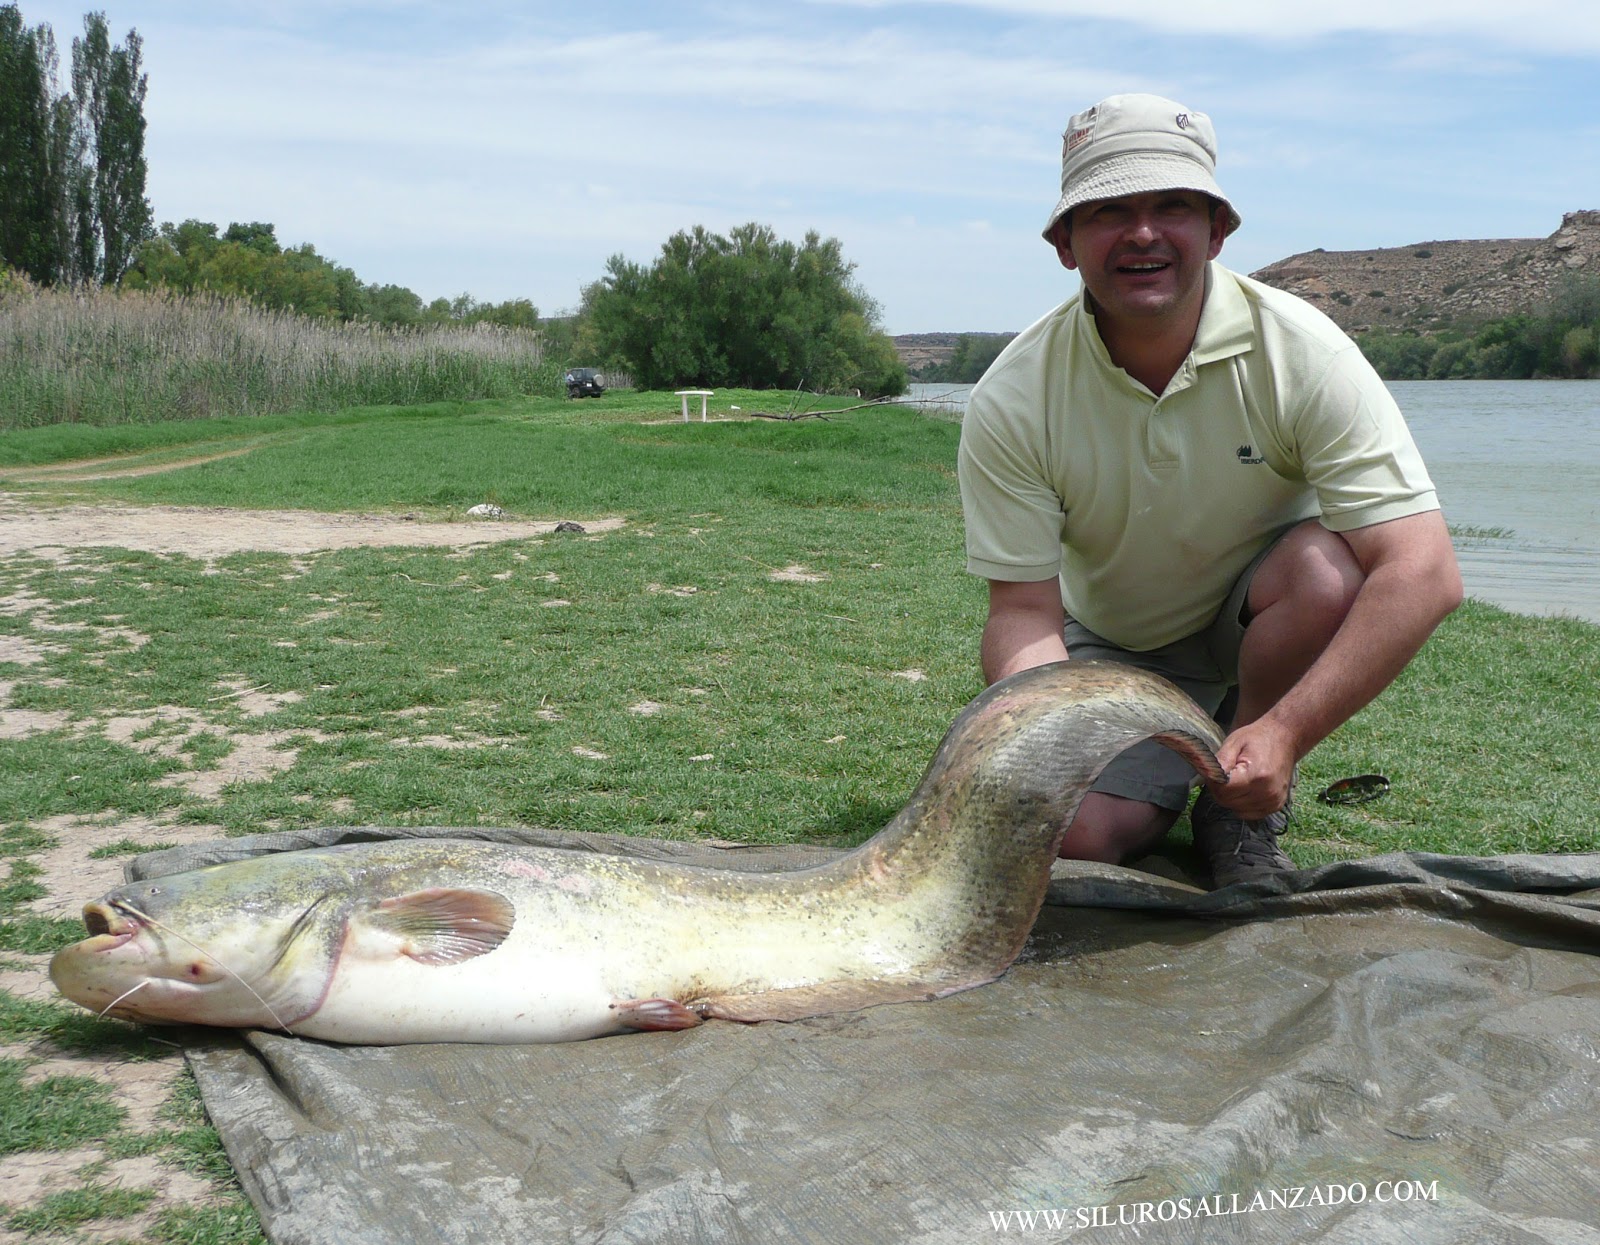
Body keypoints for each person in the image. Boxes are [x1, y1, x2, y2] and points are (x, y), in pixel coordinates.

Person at [957, 93, 1463, 887]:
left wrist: (1287, 730)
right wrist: (1058, 740)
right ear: (1064, 243)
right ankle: (1171, 768)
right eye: (1108, 210)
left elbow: (1424, 570)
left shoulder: (1304, 352)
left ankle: (1242, 797)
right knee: (1076, 833)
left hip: (1264, 620)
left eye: (1172, 206)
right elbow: (1022, 612)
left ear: (1218, 229)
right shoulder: (1014, 395)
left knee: (1327, 570)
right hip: (1114, 647)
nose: (1143, 233)